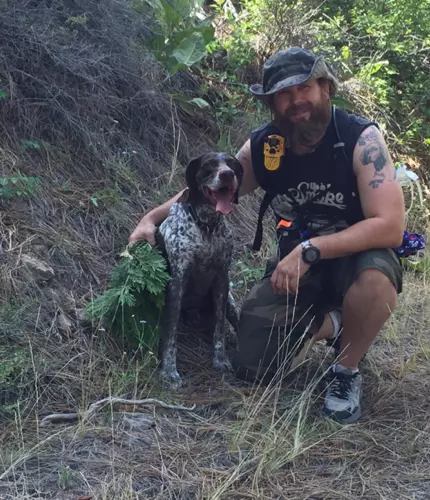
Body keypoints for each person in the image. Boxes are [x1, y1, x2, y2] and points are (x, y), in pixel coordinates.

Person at [129, 47, 405, 424]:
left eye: (304, 88)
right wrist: (150, 218)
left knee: (374, 282)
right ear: (272, 103)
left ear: (326, 88)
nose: (295, 102)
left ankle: (345, 371)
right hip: (296, 267)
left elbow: (390, 225)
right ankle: (338, 321)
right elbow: (206, 186)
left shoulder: (361, 138)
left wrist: (311, 249)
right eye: (283, 95)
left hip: (354, 257)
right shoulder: (265, 146)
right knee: (250, 365)